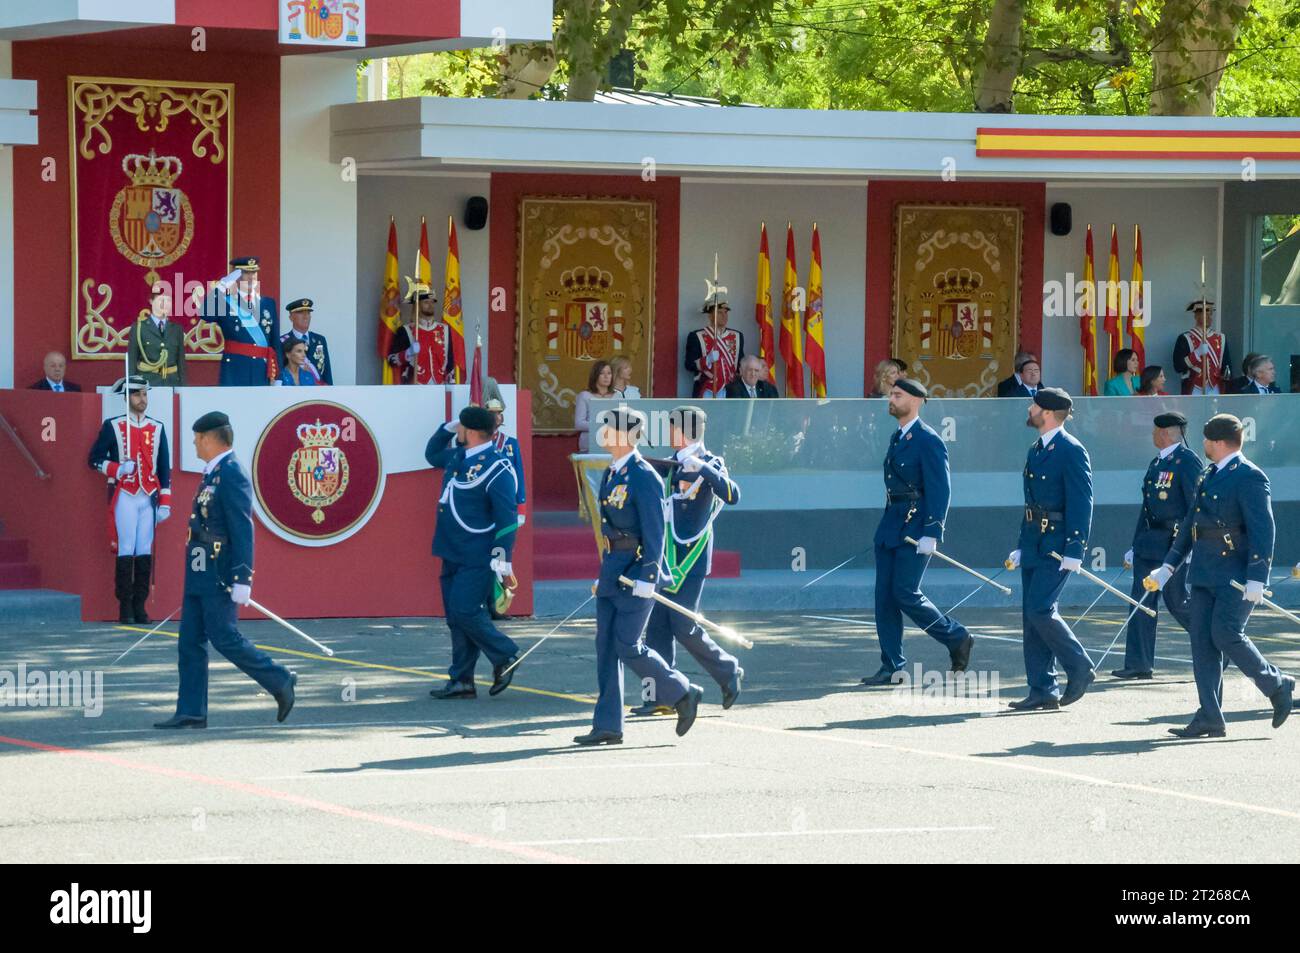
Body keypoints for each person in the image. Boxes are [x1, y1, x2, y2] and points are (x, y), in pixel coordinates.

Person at [1145, 413, 1294, 738]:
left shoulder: (1249, 476)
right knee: (1202, 642)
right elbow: (1191, 526)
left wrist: (1258, 576)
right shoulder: (1208, 474)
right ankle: (1209, 716)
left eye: (1207, 440)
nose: (1203, 445)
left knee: (1225, 634)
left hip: (1235, 573)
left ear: (1218, 442)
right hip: (1204, 571)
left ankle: (1277, 683)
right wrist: (1169, 566)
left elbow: (1262, 530)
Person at [154, 411, 297, 728]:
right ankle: (191, 709)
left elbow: (242, 529)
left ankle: (280, 680)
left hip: (219, 572)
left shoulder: (232, 473)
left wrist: (243, 576)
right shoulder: (212, 472)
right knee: (189, 642)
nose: (193, 442)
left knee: (225, 638)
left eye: (197, 437)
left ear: (209, 438)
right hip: (200, 570)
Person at [577, 407, 702, 745]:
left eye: (609, 428)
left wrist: (650, 575)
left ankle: (682, 691)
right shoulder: (611, 473)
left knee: (628, 644)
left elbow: (655, 530)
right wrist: (603, 575)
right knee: (605, 647)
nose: (604, 433)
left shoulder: (643, 474)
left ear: (626, 434)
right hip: (614, 571)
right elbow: (608, 531)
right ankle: (608, 725)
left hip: (637, 571)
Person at [862, 378, 974, 685]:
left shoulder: (928, 439)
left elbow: (940, 489)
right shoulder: (897, 437)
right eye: (892, 394)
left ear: (916, 400)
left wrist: (933, 531)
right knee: (884, 597)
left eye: (897, 395)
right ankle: (892, 666)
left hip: (915, 526)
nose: (891, 398)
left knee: (905, 592)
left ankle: (956, 637)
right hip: (891, 525)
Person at [633, 406, 744, 716]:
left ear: (684, 431)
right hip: (665, 556)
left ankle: (728, 670)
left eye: (672, 428)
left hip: (691, 559)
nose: (669, 434)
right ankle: (662, 696)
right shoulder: (669, 463)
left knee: (683, 624)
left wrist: (705, 471)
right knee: (656, 627)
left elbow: (733, 495)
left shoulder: (711, 462)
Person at [1004, 387, 1095, 710]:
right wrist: (1020, 545)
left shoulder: (1070, 449)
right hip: (1034, 541)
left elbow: (1082, 502)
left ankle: (1079, 665)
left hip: (1057, 543)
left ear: (1047, 413)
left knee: (1041, 609)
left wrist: (1076, 548)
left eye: (1035, 405)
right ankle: (1042, 687)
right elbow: (1032, 503)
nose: (1030, 408)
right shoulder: (1037, 448)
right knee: (1031, 615)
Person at [424, 406, 522, 699]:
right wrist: (450, 426)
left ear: (471, 432)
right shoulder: (459, 457)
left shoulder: (498, 466)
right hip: (451, 547)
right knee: (456, 616)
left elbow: (507, 520)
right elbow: (431, 454)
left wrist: (503, 563)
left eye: (462, 428)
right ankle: (462, 679)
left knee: (466, 610)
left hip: (479, 553)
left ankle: (506, 654)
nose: (458, 433)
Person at [1112, 412, 1200, 680]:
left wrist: (1190, 545)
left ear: (1165, 433)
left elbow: (1195, 506)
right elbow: (1147, 509)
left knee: (1177, 602)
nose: (1152, 435)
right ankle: (1138, 663)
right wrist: (1135, 544)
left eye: (1155, 431)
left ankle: (1220, 645)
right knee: (1140, 602)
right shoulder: (1156, 462)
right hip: (1150, 543)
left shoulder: (1187, 461)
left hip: (1174, 544)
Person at [87, 376, 172, 624]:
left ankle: (140, 604)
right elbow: (93, 459)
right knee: (126, 547)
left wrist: (165, 502)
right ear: (127, 398)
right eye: (137, 395)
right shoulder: (112, 425)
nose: (142, 399)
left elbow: (164, 468)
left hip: (148, 496)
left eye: (144, 394)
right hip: (125, 493)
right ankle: (124, 605)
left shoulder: (157, 427)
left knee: (144, 549)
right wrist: (116, 469)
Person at [195, 256, 280, 386]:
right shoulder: (226, 302)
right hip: (235, 370)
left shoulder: (268, 303)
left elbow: (275, 342)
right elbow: (205, 313)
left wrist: (278, 376)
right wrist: (222, 286)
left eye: (254, 272)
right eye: (246, 273)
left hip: (261, 371)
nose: (251, 277)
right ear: (236, 276)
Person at [387, 282, 454, 384]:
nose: (430, 305)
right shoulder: (405, 331)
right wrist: (407, 353)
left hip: (439, 387)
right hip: (414, 387)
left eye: (432, 302)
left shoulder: (445, 330)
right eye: (426, 302)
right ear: (417, 305)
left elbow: (450, 362)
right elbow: (391, 360)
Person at [685, 289, 744, 398]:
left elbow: (741, 365)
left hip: (732, 390)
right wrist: (707, 360)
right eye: (719, 312)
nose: (724, 316)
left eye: (726, 312)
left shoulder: (737, 336)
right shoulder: (696, 336)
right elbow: (689, 364)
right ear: (710, 316)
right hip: (706, 389)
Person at [131, 284, 186, 387]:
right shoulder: (139, 328)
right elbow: (132, 360)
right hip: (147, 383)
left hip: (172, 382)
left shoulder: (176, 329)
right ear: (151, 301)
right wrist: (133, 387)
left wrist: (183, 387)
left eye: (168, 300)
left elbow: (181, 362)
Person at [1172, 300, 1230, 395]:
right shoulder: (1185, 338)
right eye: (1204, 314)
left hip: (1215, 386)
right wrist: (1196, 353)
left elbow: (1226, 365)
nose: (1208, 317)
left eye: (1210, 314)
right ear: (1196, 316)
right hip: (1194, 385)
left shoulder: (1221, 338)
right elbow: (1178, 366)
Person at [280, 298, 332, 385]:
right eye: (301, 313)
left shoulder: (320, 340)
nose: (306, 316)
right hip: (293, 390)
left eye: (308, 313)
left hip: (319, 392)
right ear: (291, 317)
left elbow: (327, 372)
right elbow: (281, 371)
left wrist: (330, 390)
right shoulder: (282, 341)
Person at [574, 360, 615, 452]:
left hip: (613, 446)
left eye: (609, 373)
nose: (606, 376)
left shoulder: (618, 397)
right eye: (602, 373)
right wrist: (601, 425)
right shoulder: (584, 396)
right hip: (589, 446)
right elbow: (578, 424)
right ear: (595, 375)